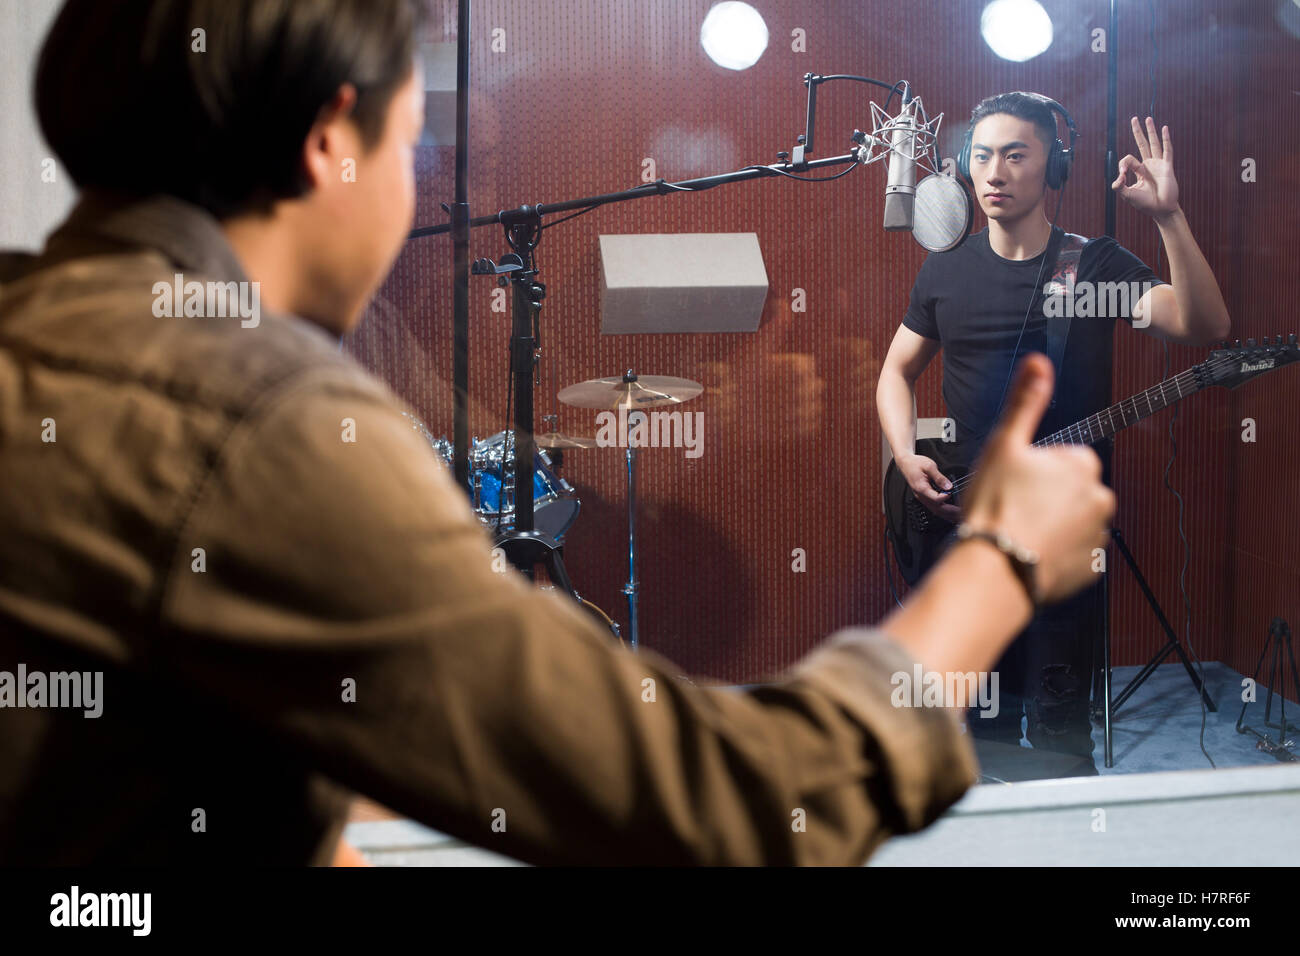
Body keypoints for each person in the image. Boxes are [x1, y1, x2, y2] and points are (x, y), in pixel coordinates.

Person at [0, 0, 1112, 866]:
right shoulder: (250, 414)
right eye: (418, 144)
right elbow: (736, 813)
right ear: (332, 139)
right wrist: (1001, 562)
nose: (424, 184)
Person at [877, 92, 1230, 772]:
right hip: (962, 525)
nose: (995, 172)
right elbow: (895, 371)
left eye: (1017, 154)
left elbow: (1204, 327)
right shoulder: (945, 269)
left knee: (1061, 722)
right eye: (982, 156)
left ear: (1054, 169)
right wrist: (904, 454)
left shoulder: (1094, 266)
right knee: (978, 718)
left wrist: (1168, 217)